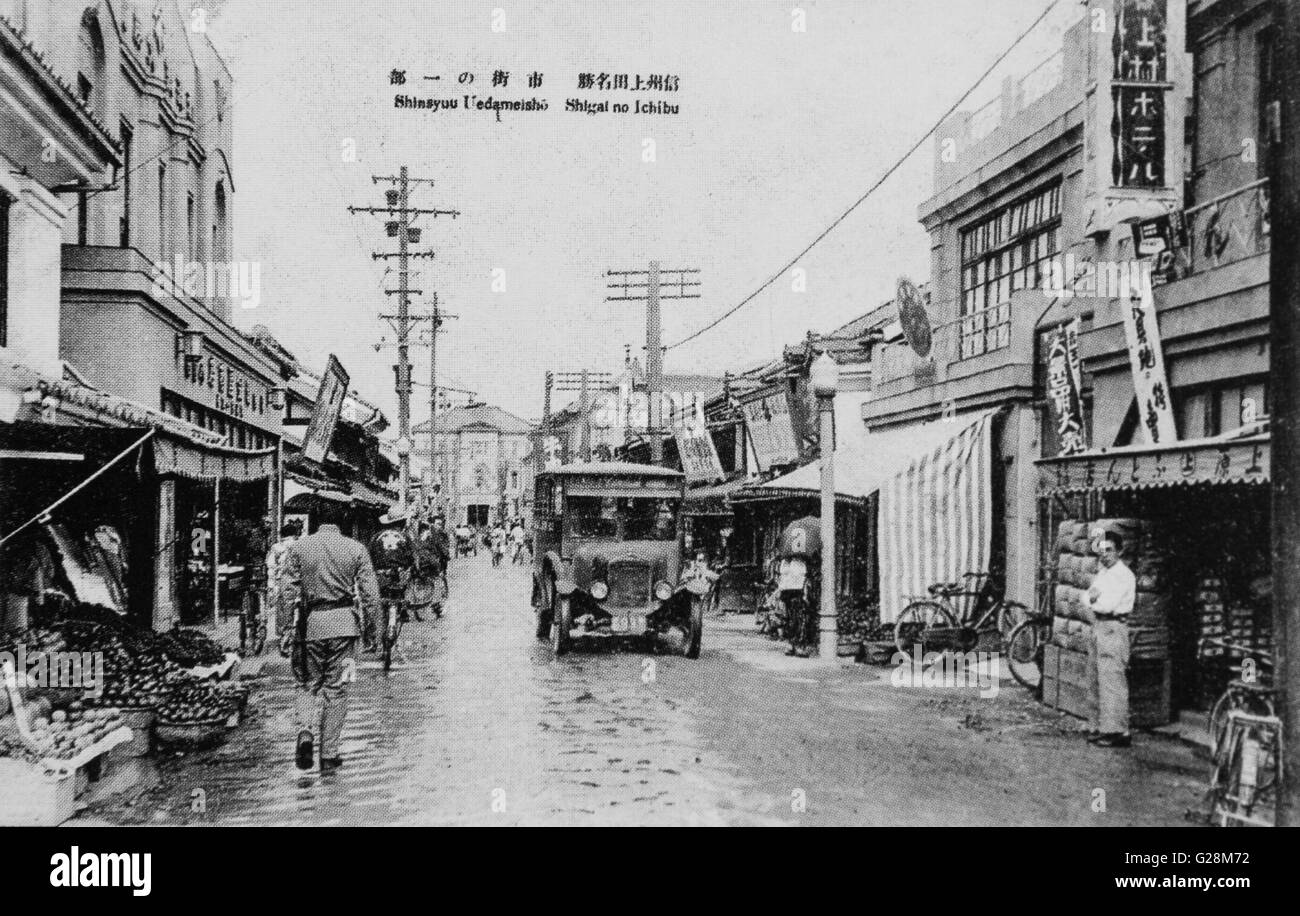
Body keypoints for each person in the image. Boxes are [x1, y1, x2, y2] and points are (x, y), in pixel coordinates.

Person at [280, 521, 380, 773]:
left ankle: (305, 732)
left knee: (306, 684)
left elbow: (285, 591)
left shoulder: (299, 547)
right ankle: (329, 754)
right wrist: (371, 632)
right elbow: (371, 595)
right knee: (338, 689)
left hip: (310, 627)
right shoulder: (356, 548)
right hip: (346, 629)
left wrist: (283, 629)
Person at [1086, 531, 1136, 748]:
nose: (1104, 555)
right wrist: (1093, 599)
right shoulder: (1103, 574)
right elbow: (1086, 597)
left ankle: (1118, 731)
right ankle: (1101, 727)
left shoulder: (1123, 575)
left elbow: (1107, 604)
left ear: (1120, 551)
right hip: (1099, 626)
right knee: (1096, 678)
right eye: (1101, 550)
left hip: (1113, 627)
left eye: (1109, 550)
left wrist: (1095, 600)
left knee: (1112, 681)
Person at [368, 506, 417, 636]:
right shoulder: (405, 537)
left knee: (379, 599)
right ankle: (404, 610)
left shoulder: (376, 537)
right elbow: (412, 557)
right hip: (400, 576)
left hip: (380, 576)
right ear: (401, 522)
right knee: (407, 584)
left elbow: (369, 557)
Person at [265, 520, 302, 641]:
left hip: (282, 580)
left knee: (283, 608)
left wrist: (271, 585)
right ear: (295, 534)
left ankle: (284, 633)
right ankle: (298, 633)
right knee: (300, 607)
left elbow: (271, 566)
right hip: (299, 580)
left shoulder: (276, 547)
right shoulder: (299, 545)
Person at [778, 552, 814, 657]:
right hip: (789, 587)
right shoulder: (787, 560)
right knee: (792, 617)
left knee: (798, 616)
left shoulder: (798, 559)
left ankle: (796, 644)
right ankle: (793, 644)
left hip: (797, 587)